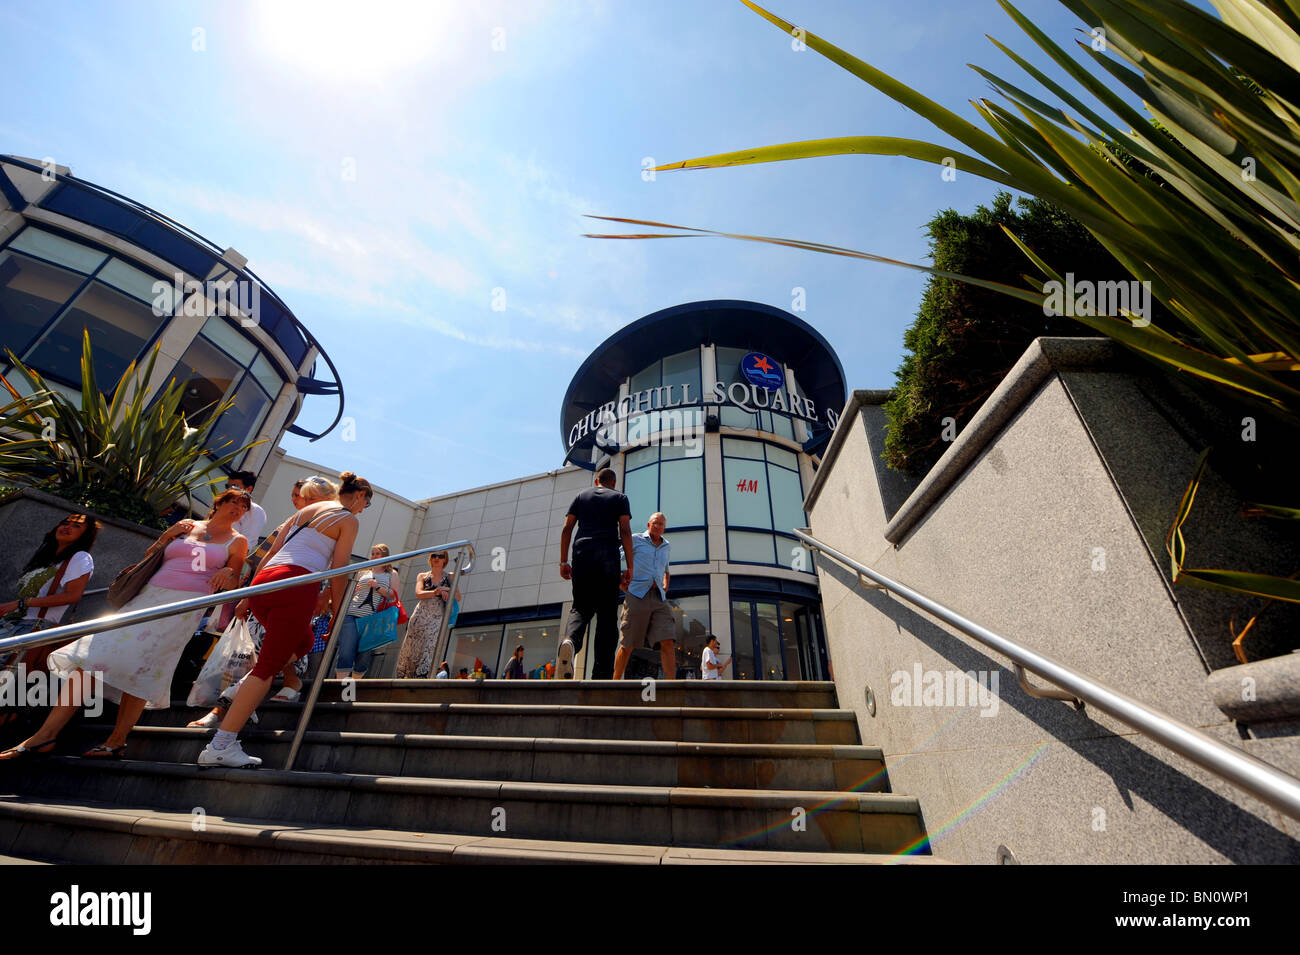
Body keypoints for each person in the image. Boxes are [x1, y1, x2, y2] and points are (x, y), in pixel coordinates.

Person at [0, 491, 250, 760]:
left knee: (146, 668)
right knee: (89, 657)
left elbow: (233, 581)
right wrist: (167, 535)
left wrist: (229, 572)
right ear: (219, 503)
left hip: (184, 608)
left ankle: (116, 740)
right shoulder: (186, 526)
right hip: (147, 596)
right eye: (233, 502)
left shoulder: (238, 541)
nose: (238, 508)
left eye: (244, 506)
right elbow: (150, 557)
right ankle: (45, 735)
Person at [197, 472, 369, 768]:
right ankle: (221, 745)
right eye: (367, 503)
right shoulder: (348, 520)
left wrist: (250, 595)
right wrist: (338, 612)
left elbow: (270, 552)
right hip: (296, 584)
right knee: (265, 670)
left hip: (268, 583)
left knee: (302, 640)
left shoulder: (306, 510)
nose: (365, 509)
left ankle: (239, 691)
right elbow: (339, 569)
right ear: (360, 496)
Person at [186, 476, 332, 727]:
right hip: (268, 592)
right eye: (297, 495)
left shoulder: (331, 524)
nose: (299, 500)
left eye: (307, 496)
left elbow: (333, 566)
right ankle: (224, 710)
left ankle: (259, 695)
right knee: (250, 653)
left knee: (276, 649)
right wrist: (247, 596)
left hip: (298, 595)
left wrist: (325, 595)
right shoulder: (290, 524)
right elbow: (261, 559)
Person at [556, 468, 633, 680]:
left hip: (582, 554)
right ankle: (601, 676)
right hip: (607, 556)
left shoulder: (581, 496)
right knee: (607, 615)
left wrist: (563, 561)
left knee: (580, 607)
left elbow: (566, 528)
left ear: (596, 481)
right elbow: (625, 530)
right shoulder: (620, 498)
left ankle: (570, 641)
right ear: (613, 482)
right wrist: (630, 567)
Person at [0, 513, 100, 659]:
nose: (68, 527)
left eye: (77, 526)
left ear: (85, 535)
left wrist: (21, 603)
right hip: (11, 623)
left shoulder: (80, 557)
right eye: (65, 523)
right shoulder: (47, 558)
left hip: (30, 628)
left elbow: (73, 596)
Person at [613, 512, 675, 680]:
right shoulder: (636, 539)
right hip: (636, 594)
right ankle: (614, 683)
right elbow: (615, 557)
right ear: (648, 524)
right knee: (627, 645)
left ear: (664, 528)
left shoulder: (666, 546)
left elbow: (666, 569)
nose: (658, 526)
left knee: (668, 640)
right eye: (655, 523)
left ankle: (673, 688)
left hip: (659, 597)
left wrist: (665, 583)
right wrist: (619, 579)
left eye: (661, 524)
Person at [335, 543, 399, 680]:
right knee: (346, 651)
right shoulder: (364, 571)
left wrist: (377, 587)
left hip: (372, 619)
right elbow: (353, 591)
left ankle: (353, 685)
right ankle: (340, 688)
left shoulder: (392, 574)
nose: (374, 556)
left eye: (378, 553)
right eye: (373, 553)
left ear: (385, 556)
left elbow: (393, 596)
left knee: (363, 657)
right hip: (352, 614)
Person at [394, 551, 459, 678]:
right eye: (434, 555)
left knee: (429, 647)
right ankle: (404, 676)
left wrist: (445, 589)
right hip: (420, 615)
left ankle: (422, 677)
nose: (437, 558)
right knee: (412, 647)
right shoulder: (423, 576)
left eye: (440, 556)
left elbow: (458, 596)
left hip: (437, 617)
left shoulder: (450, 577)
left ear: (445, 560)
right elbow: (418, 593)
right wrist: (436, 592)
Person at [227, 470, 267, 546]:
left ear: (249, 489)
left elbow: (247, 543)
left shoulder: (256, 511)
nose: (230, 489)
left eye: (235, 486)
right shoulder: (222, 503)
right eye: (228, 486)